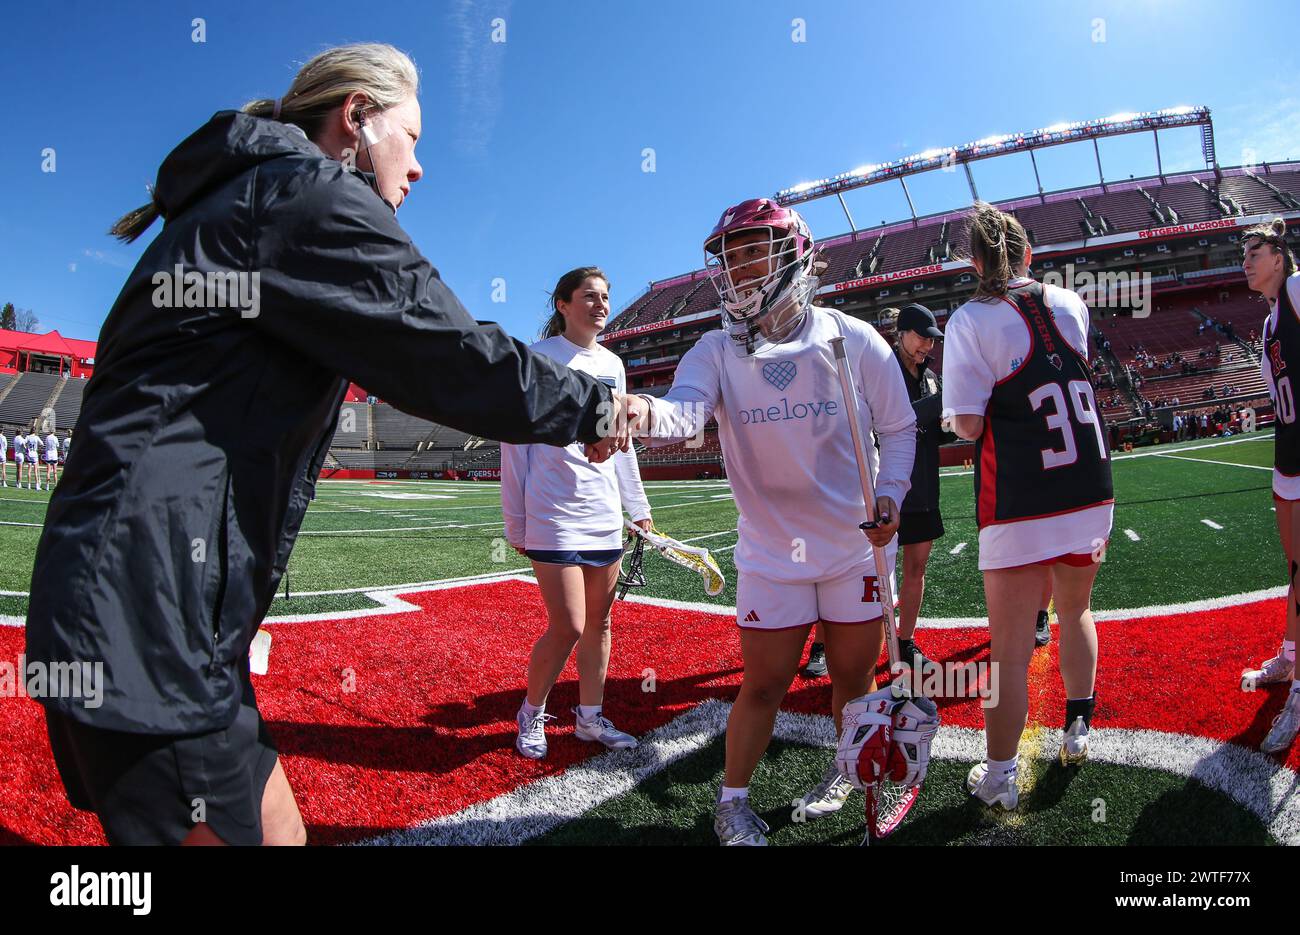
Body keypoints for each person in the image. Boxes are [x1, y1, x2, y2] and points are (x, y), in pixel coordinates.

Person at [25, 43, 646, 847]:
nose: (419, 168)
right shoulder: (304, 194)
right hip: (146, 618)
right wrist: (597, 408)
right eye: (412, 138)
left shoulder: (250, 194)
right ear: (354, 117)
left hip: (157, 611)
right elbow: (448, 349)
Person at [635, 198, 917, 843]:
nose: (738, 270)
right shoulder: (715, 348)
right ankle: (732, 802)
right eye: (730, 258)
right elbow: (684, 416)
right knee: (762, 687)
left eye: (751, 252)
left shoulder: (851, 336)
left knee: (854, 679)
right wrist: (640, 413)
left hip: (855, 548)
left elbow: (899, 428)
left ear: (795, 255)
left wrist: (892, 494)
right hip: (771, 553)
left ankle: (849, 769)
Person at [943, 202, 1113, 810]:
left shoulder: (970, 318)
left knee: (1010, 648)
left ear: (976, 260)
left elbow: (965, 426)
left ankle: (1000, 776)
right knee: (1077, 610)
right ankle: (1078, 724)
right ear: (1028, 255)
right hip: (1090, 487)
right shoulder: (1071, 303)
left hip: (1022, 494)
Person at [503, 267, 653, 759]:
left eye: (606, 296)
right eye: (589, 296)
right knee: (567, 624)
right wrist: (517, 520)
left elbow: (621, 443)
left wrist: (638, 507)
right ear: (563, 305)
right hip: (552, 511)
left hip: (603, 511)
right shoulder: (539, 359)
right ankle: (531, 711)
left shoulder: (614, 364)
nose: (600, 304)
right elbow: (515, 443)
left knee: (600, 624)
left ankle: (590, 718)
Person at [1239, 219, 1300, 752]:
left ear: (1279, 256)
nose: (1246, 260)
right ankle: (1290, 655)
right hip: (1288, 455)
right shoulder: (1269, 322)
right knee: (1296, 567)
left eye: (1254, 251)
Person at [889, 303, 953, 671]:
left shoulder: (931, 378)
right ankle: (822, 645)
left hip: (924, 487)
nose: (928, 346)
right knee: (863, 572)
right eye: (922, 337)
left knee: (917, 569)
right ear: (902, 334)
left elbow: (932, 430)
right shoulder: (885, 370)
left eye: (932, 340)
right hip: (888, 488)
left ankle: (906, 640)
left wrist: (949, 423)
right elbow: (899, 419)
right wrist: (941, 403)